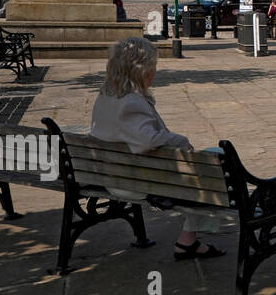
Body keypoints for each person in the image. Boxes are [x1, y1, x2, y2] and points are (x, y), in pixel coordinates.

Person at [89, 37, 225, 259]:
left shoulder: (105, 95)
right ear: (141, 71)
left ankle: (189, 240)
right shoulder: (131, 102)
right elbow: (147, 141)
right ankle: (188, 239)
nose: (155, 72)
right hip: (138, 182)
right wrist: (179, 140)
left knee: (207, 167)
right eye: (153, 66)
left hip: (111, 176)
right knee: (216, 159)